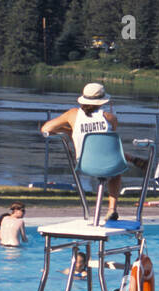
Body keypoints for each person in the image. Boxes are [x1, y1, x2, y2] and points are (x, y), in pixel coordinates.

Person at [40, 83, 147, 221]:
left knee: (108, 156)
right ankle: (112, 209)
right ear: (102, 101)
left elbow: (45, 129)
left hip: (84, 164)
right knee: (115, 169)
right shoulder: (110, 118)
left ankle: (133, 159)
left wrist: (69, 131)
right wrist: (71, 131)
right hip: (109, 163)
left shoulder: (72, 115)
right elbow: (107, 143)